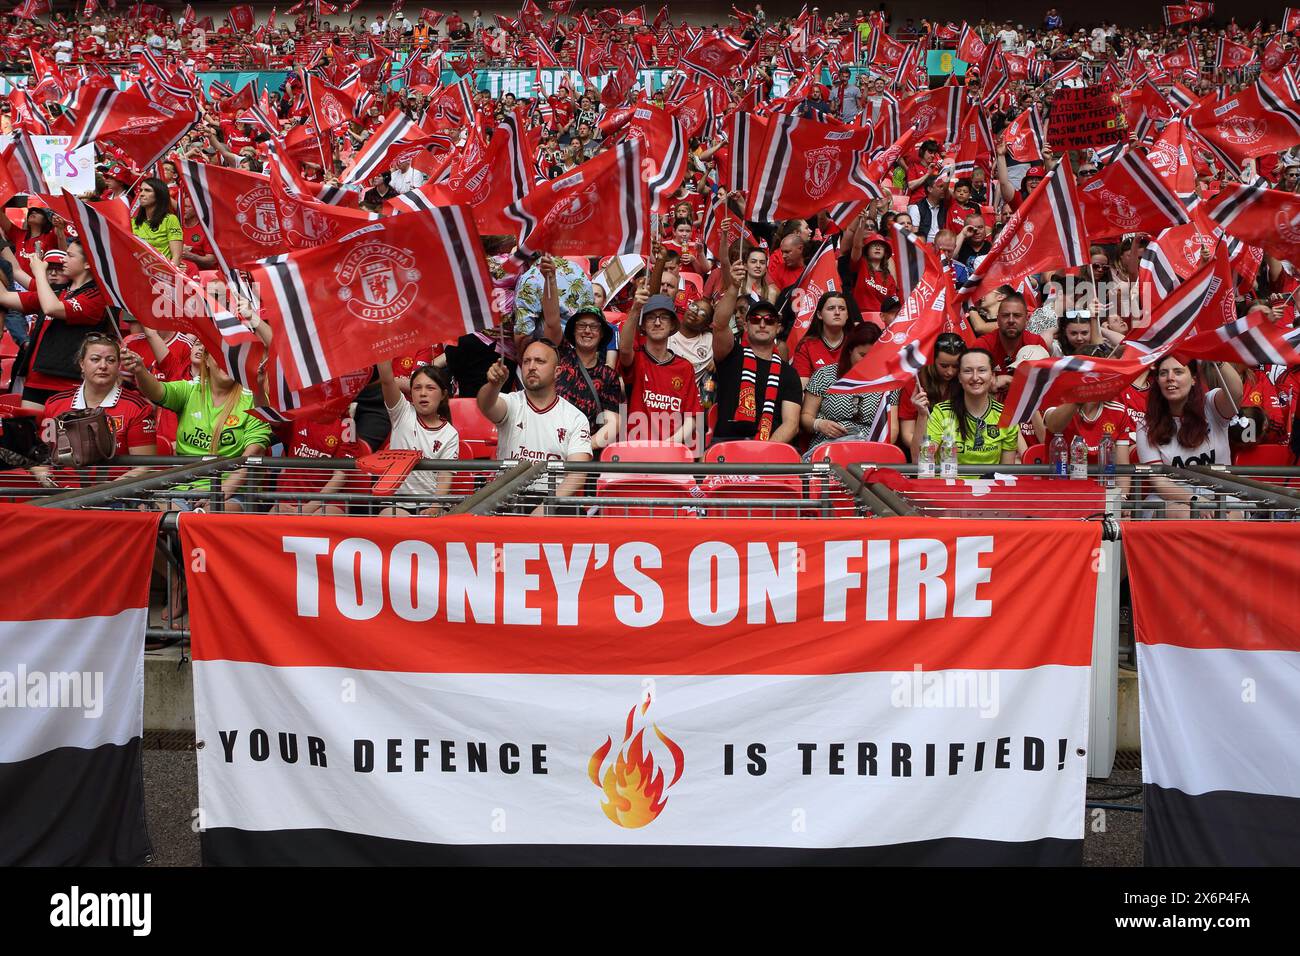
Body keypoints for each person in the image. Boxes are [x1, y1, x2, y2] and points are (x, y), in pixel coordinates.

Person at [120, 344, 271, 511]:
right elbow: (157, 391)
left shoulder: (254, 400)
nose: (227, 362)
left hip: (232, 493)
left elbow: (252, 456)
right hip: (182, 490)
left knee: (204, 518)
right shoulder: (190, 390)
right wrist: (140, 370)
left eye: (233, 358)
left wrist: (218, 494)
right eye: (220, 356)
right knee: (147, 514)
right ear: (206, 359)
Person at [477, 340, 592, 510]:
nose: (531, 366)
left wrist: (546, 508)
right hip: (507, 497)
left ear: (557, 372)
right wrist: (494, 386)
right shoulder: (512, 403)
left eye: (540, 361)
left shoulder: (575, 417)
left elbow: (577, 474)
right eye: (526, 361)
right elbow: (486, 405)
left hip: (552, 498)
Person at [1, 243, 116, 409]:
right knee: (28, 434)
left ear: (88, 263)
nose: (63, 260)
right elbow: (5, 293)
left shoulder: (96, 296)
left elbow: (51, 308)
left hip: (69, 384)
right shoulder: (57, 290)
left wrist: (40, 272)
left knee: (63, 435)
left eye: (70, 255)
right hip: (36, 381)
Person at [39, 333, 157, 479]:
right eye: (95, 359)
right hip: (62, 493)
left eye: (111, 360)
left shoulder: (137, 407)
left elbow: (144, 467)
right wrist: (43, 476)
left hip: (116, 496)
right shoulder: (55, 404)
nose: (103, 366)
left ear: (118, 366)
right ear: (82, 364)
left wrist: (106, 493)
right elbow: (43, 456)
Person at [710, 262, 803, 445]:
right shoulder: (730, 354)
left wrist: (761, 455)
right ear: (745, 325)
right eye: (755, 319)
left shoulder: (789, 373)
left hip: (768, 453)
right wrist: (733, 288)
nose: (762, 324)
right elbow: (719, 325)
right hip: (726, 447)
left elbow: (791, 424)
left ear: (778, 328)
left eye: (769, 320)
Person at [539, 260, 622, 455]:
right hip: (545, 443)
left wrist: (581, 448)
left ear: (602, 334)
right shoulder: (559, 355)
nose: (587, 331)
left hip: (582, 451)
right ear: (572, 331)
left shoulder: (608, 375)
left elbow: (613, 423)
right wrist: (550, 280)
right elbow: (551, 320)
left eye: (594, 327)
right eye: (581, 325)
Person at [617, 286, 700, 445]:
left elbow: (693, 418)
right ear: (643, 325)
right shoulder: (637, 359)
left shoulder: (684, 367)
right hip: (635, 450)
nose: (657, 322)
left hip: (672, 452)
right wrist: (635, 310)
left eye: (663, 317)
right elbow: (625, 350)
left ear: (672, 325)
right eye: (650, 317)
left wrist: (668, 445)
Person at [377, 359, 459, 515]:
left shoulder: (450, 434)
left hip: (431, 504)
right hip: (396, 503)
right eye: (417, 388)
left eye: (430, 388)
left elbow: (444, 476)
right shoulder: (401, 412)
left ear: (443, 395)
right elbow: (387, 380)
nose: (423, 393)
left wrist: (435, 507)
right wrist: (382, 350)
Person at [801, 323, 895, 456]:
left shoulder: (887, 381)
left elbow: (893, 429)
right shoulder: (825, 374)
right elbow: (805, 417)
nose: (867, 361)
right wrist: (819, 424)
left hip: (871, 449)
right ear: (850, 350)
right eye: (862, 355)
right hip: (828, 447)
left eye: (872, 356)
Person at [925, 348, 1020, 466]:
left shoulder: (1006, 415)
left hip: (988, 484)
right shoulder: (942, 412)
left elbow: (1005, 472)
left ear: (992, 376)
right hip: (949, 483)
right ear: (959, 377)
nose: (975, 377)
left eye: (982, 370)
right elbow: (924, 458)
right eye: (968, 371)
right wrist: (921, 414)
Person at [900, 332, 965, 459]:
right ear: (932, 360)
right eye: (944, 366)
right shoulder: (916, 385)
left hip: (959, 455)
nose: (950, 372)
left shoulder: (966, 383)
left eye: (956, 366)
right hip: (925, 456)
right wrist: (933, 448)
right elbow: (907, 434)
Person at [975, 293, 1048, 396]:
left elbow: (1045, 383)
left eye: (1017, 315)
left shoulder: (1036, 342)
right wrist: (991, 383)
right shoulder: (982, 345)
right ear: (998, 319)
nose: (1011, 320)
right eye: (1005, 315)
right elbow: (971, 382)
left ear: (1027, 319)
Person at [791, 291, 861, 386]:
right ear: (819, 315)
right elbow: (802, 387)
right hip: (816, 398)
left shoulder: (856, 343)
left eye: (842, 309)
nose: (837, 312)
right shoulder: (806, 345)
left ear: (847, 315)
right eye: (831, 308)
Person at [131, 177, 183, 269]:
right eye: (141, 190)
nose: (141, 194)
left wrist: (166, 276)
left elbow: (177, 257)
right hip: (137, 273)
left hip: (161, 274)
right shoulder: (133, 222)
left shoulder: (170, 219)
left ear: (159, 195)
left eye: (147, 190)